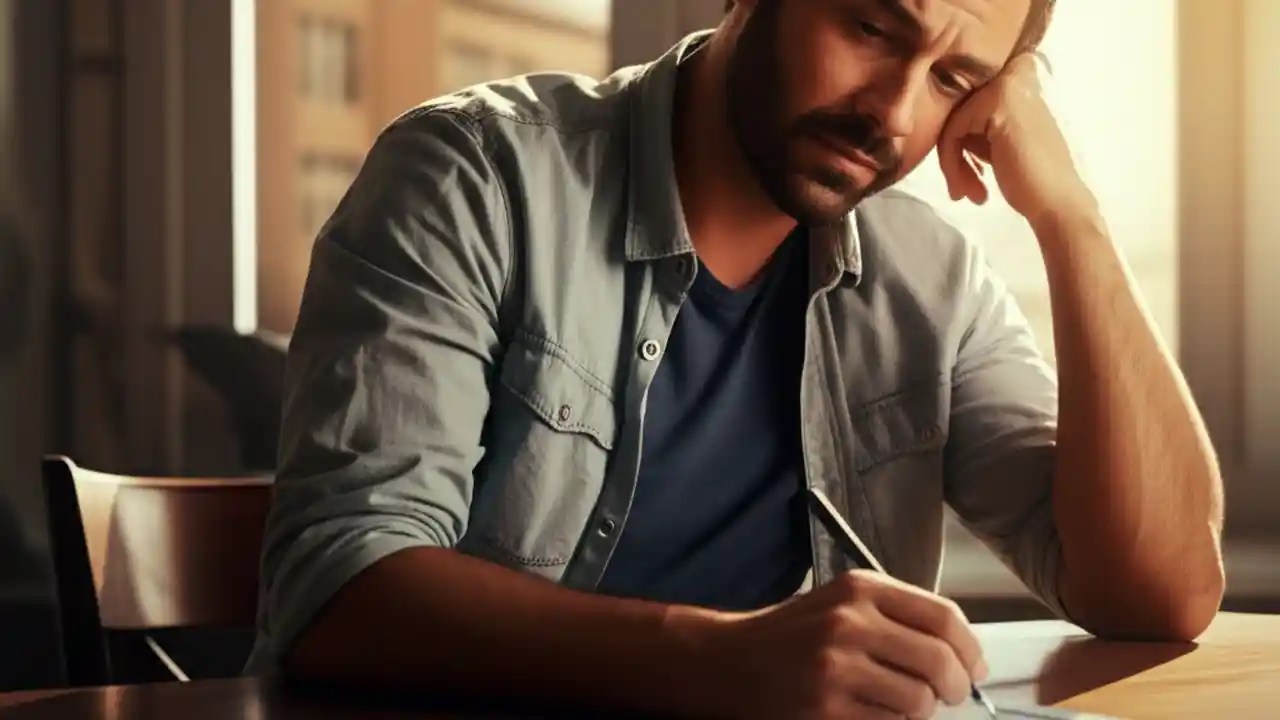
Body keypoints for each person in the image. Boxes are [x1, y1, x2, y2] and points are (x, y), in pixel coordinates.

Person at [247, 0, 1226, 716]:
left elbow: (1158, 595)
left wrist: (1069, 217)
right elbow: (339, 585)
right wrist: (723, 660)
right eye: (870, 29)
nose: (889, 115)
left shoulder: (927, 278)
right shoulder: (470, 175)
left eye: (951, 80)